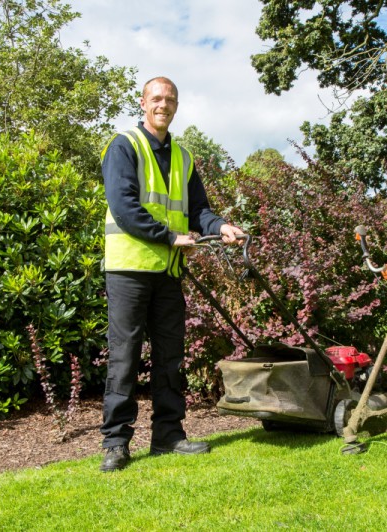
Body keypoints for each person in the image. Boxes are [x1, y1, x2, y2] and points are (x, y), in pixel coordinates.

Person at [99, 76, 242, 472]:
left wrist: (220, 226)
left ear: (176, 105)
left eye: (171, 99)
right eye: (157, 98)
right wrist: (170, 237)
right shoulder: (123, 146)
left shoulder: (184, 157)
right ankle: (115, 442)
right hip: (129, 268)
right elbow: (125, 207)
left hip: (168, 270)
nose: (164, 104)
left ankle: (168, 435)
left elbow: (200, 210)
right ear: (143, 103)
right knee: (124, 358)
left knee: (170, 357)